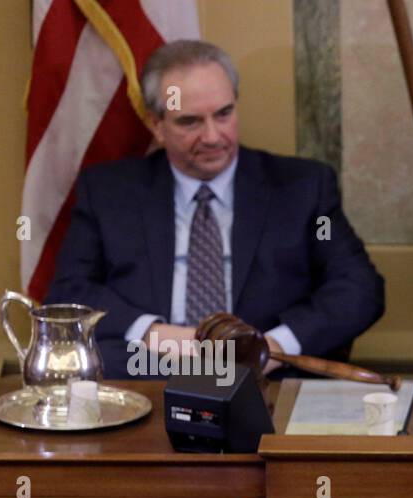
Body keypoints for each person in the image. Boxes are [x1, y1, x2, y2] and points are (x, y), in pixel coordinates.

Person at [47, 39, 384, 378]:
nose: (212, 137)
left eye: (224, 114)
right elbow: (69, 289)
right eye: (190, 122)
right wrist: (151, 333)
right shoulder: (110, 192)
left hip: (266, 383)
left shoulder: (304, 189)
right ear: (156, 125)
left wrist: (275, 346)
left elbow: (358, 288)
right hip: (148, 376)